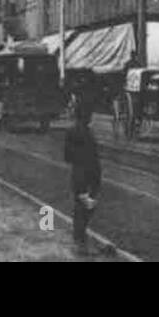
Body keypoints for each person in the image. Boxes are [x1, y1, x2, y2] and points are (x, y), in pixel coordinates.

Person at [63, 99, 102, 256]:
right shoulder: (86, 133)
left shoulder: (73, 131)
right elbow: (92, 158)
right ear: (86, 116)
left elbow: (67, 156)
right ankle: (80, 243)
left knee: (82, 208)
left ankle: (80, 239)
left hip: (80, 176)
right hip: (87, 177)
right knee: (84, 209)